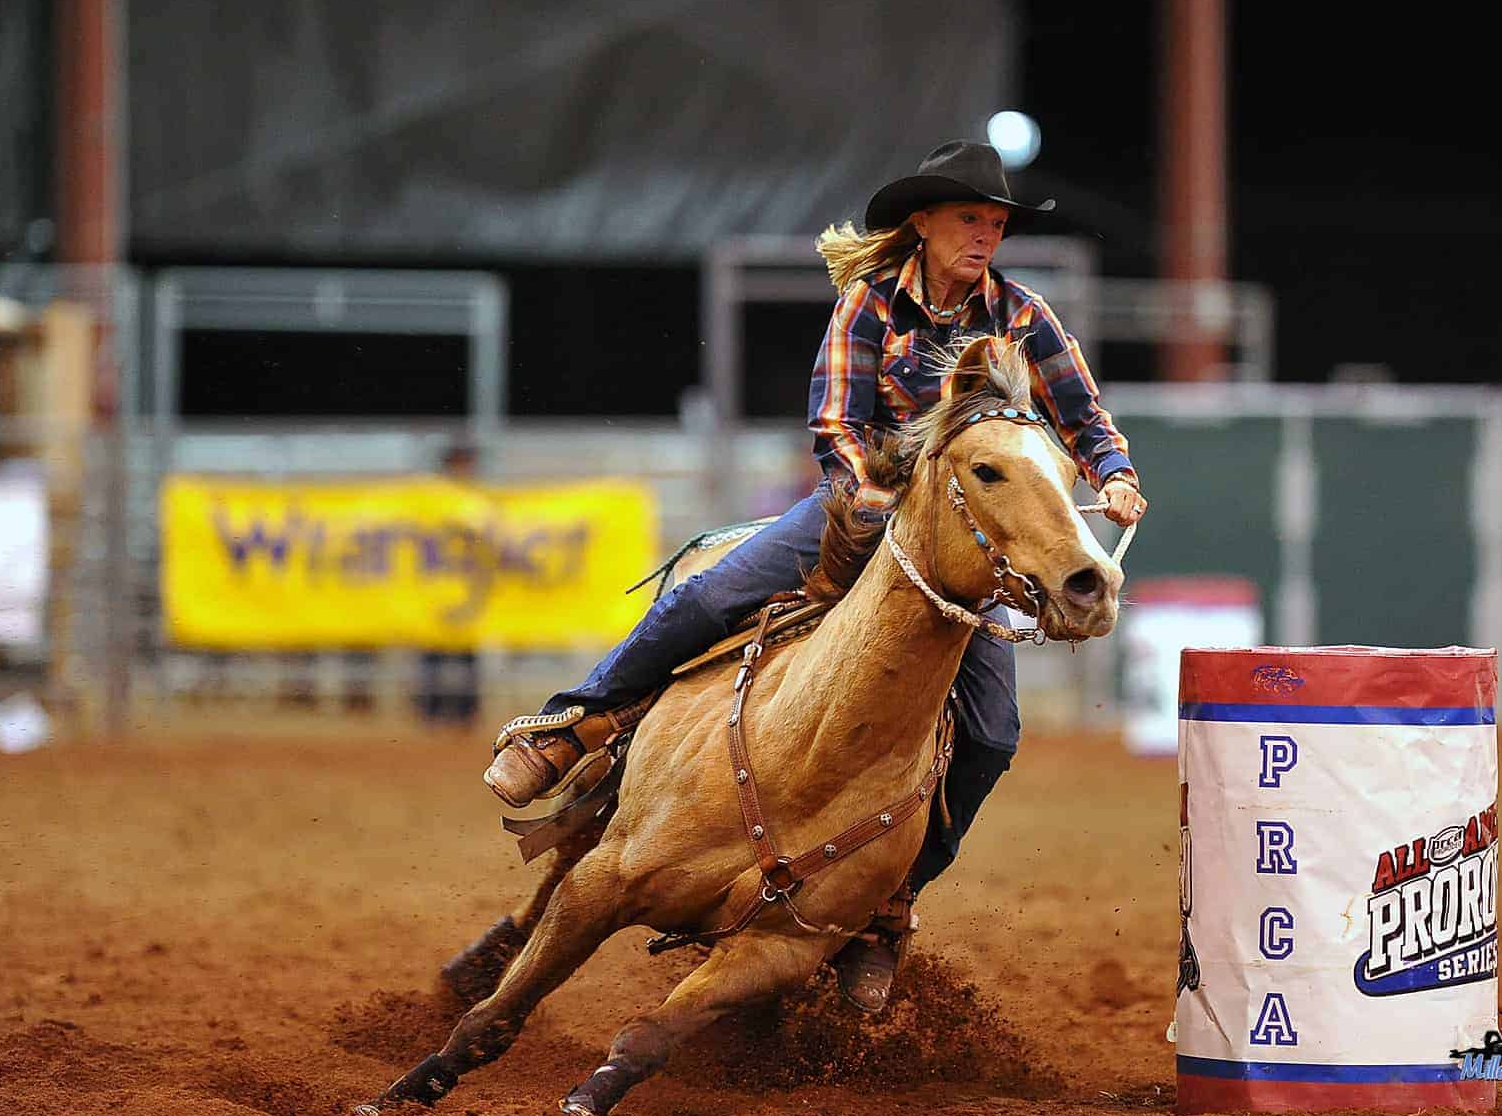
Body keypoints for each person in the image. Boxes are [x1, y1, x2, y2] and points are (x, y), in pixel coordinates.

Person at [484, 140, 1148, 1012]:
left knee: (989, 737)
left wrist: (1114, 472)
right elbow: (837, 428)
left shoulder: (1022, 316)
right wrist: (872, 505)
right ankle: (576, 725)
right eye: (970, 219)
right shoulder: (871, 304)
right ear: (925, 222)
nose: (986, 235)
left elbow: (1083, 413)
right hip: (856, 514)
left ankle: (886, 902)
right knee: (711, 596)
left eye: (995, 223)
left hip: (958, 546)